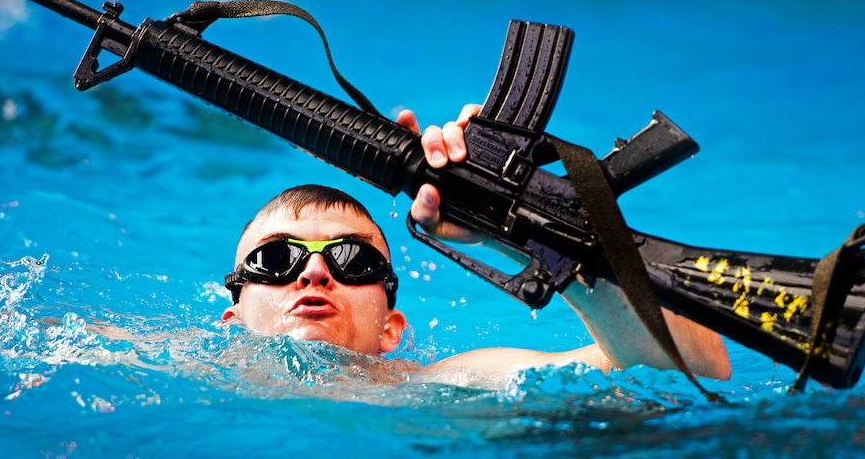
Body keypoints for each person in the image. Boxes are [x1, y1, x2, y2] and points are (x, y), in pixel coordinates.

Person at [222, 104, 731, 388]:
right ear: (233, 318)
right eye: (275, 260)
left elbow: (691, 367)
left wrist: (520, 228)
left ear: (391, 331)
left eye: (353, 260)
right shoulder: (149, 368)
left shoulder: (442, 388)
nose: (313, 273)